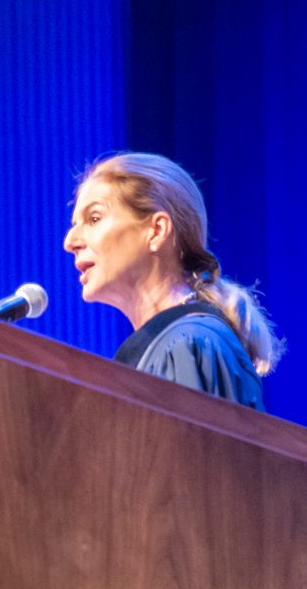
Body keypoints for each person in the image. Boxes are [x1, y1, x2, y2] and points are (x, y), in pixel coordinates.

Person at [62, 152, 281, 409]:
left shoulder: (185, 345)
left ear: (156, 231)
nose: (70, 242)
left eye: (94, 219)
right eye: (74, 224)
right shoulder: (175, 344)